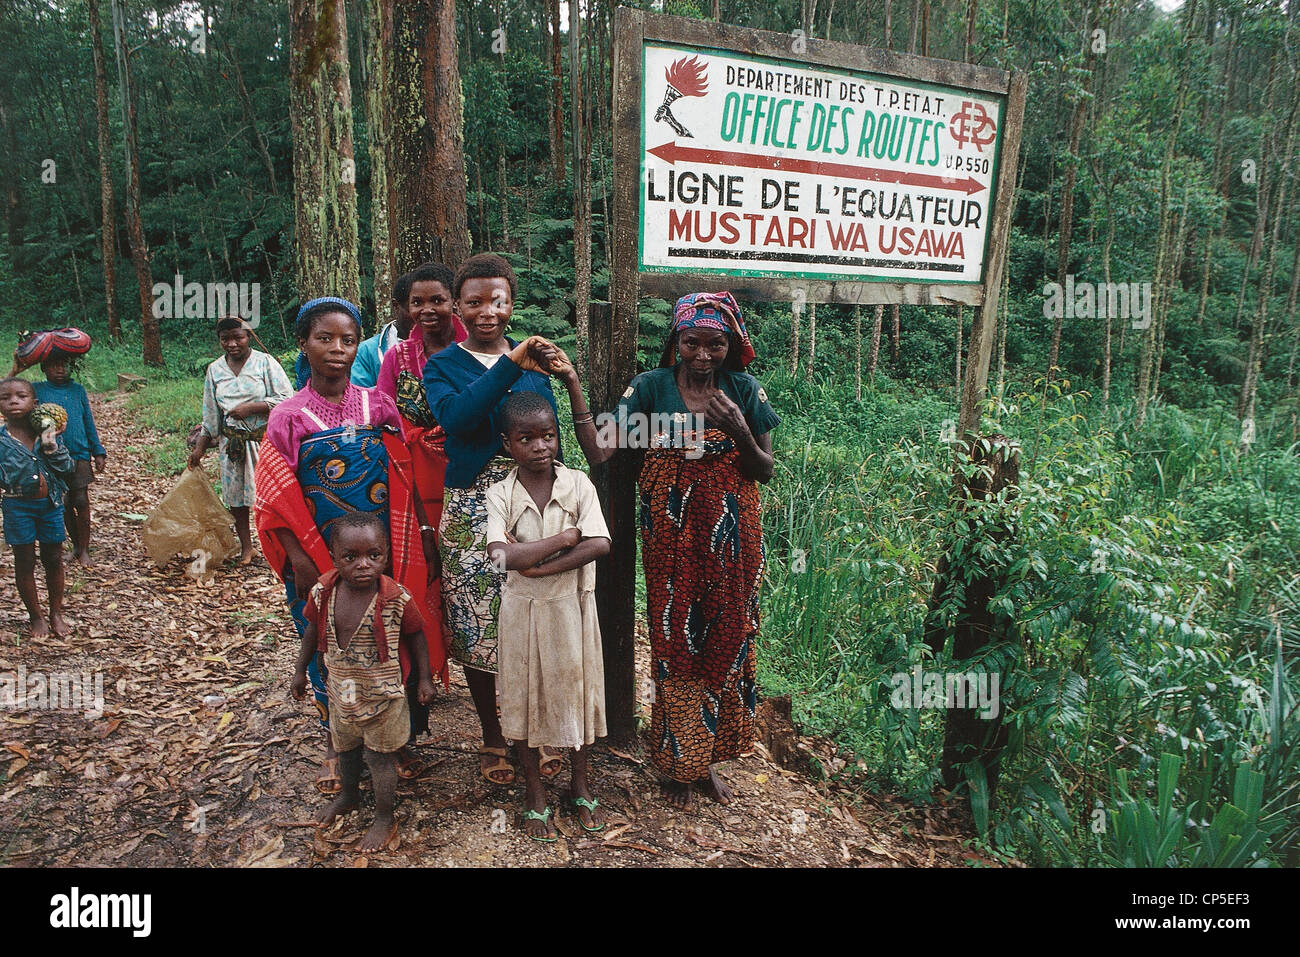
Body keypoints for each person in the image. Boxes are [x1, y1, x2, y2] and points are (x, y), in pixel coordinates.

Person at [557, 291, 779, 809]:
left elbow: (763, 469)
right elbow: (600, 450)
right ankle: (677, 765)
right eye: (692, 342)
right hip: (670, 540)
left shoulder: (743, 389)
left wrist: (739, 430)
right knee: (674, 639)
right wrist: (572, 385)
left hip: (731, 540)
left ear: (732, 344)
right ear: (676, 341)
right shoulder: (653, 388)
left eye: (715, 344)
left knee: (729, 634)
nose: (703, 355)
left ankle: (708, 762)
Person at [255, 296, 445, 795]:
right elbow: (274, 492)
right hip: (317, 554)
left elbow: (403, 472)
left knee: (389, 634)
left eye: (347, 340)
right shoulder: (287, 417)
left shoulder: (378, 404)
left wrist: (423, 535)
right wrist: (297, 556)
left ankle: (392, 736)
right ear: (304, 344)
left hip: (381, 551)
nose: (337, 349)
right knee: (325, 638)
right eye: (324, 338)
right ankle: (337, 743)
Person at [422, 253, 566, 786]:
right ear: (457, 306)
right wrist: (513, 364)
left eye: (499, 300)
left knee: (538, 613)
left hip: (533, 500)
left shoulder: (537, 359)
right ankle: (492, 735)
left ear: (512, 303)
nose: (488, 311)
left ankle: (538, 730)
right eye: (476, 301)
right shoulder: (441, 366)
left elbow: (548, 434)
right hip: (471, 506)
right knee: (476, 621)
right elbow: (457, 418)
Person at [485, 392, 611, 840]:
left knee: (574, 689)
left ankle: (579, 782)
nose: (541, 446)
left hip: (572, 608)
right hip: (522, 612)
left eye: (549, 436)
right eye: (527, 438)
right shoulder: (499, 493)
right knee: (522, 694)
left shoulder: (578, 483)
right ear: (507, 444)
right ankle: (534, 791)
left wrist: (536, 564)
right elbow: (500, 557)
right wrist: (564, 538)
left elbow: (599, 544)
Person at [291, 512, 436, 853]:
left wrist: (424, 679)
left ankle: (385, 816)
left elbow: (416, 635)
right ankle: (349, 795)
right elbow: (311, 632)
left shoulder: (396, 597)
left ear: (386, 554)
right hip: (342, 694)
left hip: (383, 698)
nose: (363, 565)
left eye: (374, 556)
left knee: (380, 758)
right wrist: (300, 670)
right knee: (347, 750)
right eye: (350, 557)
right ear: (334, 557)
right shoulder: (323, 593)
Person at [187, 318, 293, 565]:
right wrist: (199, 449)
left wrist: (253, 407)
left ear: (249, 337)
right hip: (231, 445)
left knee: (271, 495)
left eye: (238, 337)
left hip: (263, 441)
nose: (232, 344)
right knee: (236, 498)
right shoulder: (215, 370)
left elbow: (287, 400)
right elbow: (211, 414)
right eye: (226, 339)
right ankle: (248, 547)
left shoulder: (265, 363)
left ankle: (278, 547)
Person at [376, 263, 468, 537]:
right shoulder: (397, 357)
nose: (427, 310)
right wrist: (414, 435)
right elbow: (385, 412)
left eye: (437, 300)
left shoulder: (474, 351)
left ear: (454, 302)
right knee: (423, 546)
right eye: (417, 302)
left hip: (465, 466)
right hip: (413, 471)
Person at [0, 377, 74, 637]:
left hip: (50, 504)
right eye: (6, 398)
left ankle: (56, 613)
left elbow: (67, 469)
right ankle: (36, 617)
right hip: (17, 506)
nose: (13, 401)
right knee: (24, 560)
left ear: (35, 403)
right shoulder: (2, 440)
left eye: (21, 396)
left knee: (53, 558)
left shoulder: (47, 433)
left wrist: (52, 446)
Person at [35, 354, 106, 567]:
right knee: (64, 502)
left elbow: (88, 421)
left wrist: (98, 450)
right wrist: (19, 367)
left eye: (64, 365)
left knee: (81, 500)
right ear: (43, 368)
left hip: (79, 452)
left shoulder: (78, 390)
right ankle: (75, 546)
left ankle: (84, 549)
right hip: (52, 455)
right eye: (54, 365)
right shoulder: (36, 390)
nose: (60, 369)